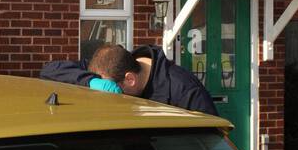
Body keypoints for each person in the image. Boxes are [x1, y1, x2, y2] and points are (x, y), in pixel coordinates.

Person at [40, 42, 217, 115]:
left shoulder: (186, 91)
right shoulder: (108, 66)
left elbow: (213, 144)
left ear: (130, 79)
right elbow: (49, 70)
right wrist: (90, 81)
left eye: (116, 91)